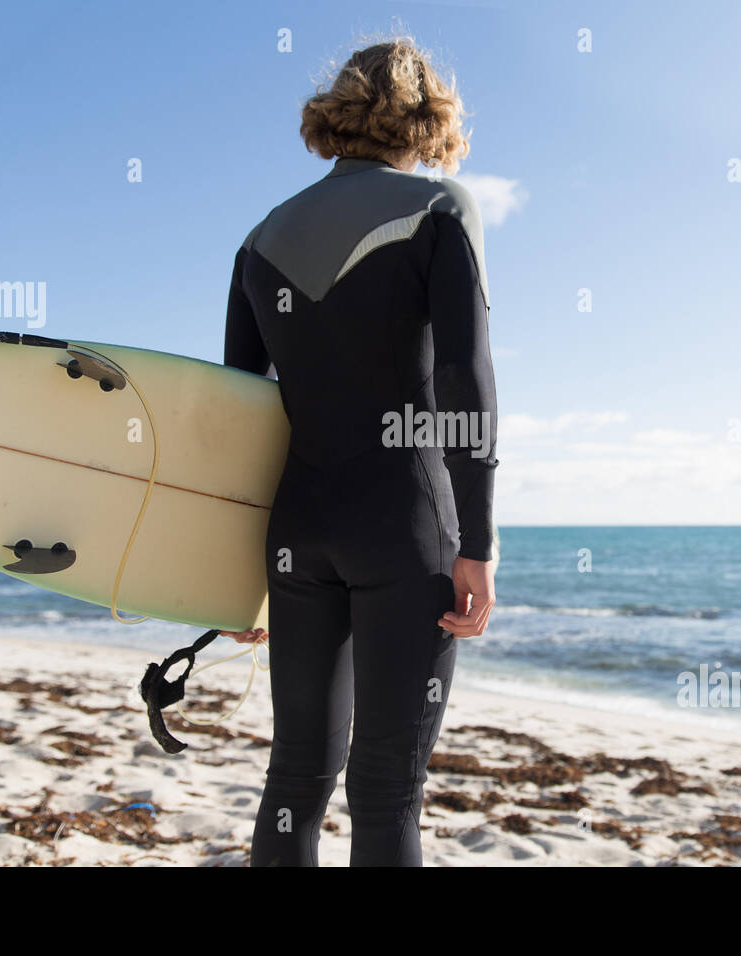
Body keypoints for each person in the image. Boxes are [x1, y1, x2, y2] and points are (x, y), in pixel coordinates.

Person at [220, 36, 499, 867]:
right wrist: (478, 543)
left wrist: (235, 576)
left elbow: (239, 411)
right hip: (404, 528)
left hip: (297, 534)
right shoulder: (440, 210)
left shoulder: (261, 237)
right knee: (385, 791)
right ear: (426, 114)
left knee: (296, 776)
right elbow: (465, 385)